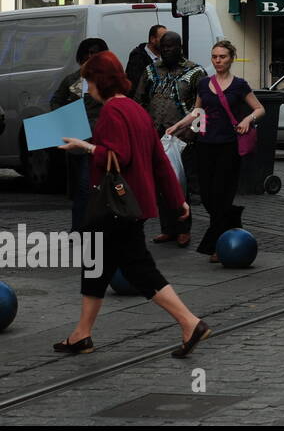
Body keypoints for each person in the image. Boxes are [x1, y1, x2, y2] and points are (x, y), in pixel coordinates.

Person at [55, 51, 210, 358]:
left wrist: (84, 146)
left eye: (87, 80)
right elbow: (159, 162)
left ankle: (190, 322)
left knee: (138, 269)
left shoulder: (113, 112)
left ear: (98, 81)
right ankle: (82, 334)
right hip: (132, 206)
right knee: (98, 266)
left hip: (114, 207)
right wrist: (178, 200)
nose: (87, 87)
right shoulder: (137, 110)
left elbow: (118, 156)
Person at [166, 40, 265, 262]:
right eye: (214, 57)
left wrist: (247, 119)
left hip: (229, 146)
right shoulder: (203, 83)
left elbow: (260, 108)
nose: (218, 60)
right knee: (208, 197)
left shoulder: (240, 85)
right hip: (205, 145)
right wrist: (178, 125)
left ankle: (216, 246)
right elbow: (197, 111)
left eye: (222, 57)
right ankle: (233, 221)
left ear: (231, 59)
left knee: (221, 195)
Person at [134, 31, 206, 247]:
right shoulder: (150, 70)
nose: (166, 51)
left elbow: (202, 108)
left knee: (180, 184)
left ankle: (184, 229)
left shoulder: (195, 72)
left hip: (182, 138)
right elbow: (139, 100)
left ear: (180, 47)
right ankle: (168, 229)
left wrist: (193, 133)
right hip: (155, 135)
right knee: (160, 185)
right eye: (163, 47)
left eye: (171, 47)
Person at [50, 38, 109, 230]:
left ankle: (86, 228)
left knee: (87, 187)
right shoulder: (72, 79)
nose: (92, 56)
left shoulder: (107, 80)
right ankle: (79, 227)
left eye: (96, 53)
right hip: (76, 142)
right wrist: (65, 117)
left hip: (98, 141)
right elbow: (56, 101)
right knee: (79, 190)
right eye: (89, 53)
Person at [126, 24, 166, 96]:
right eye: (163, 38)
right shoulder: (137, 58)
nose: (167, 42)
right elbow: (135, 86)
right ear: (153, 39)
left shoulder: (166, 56)